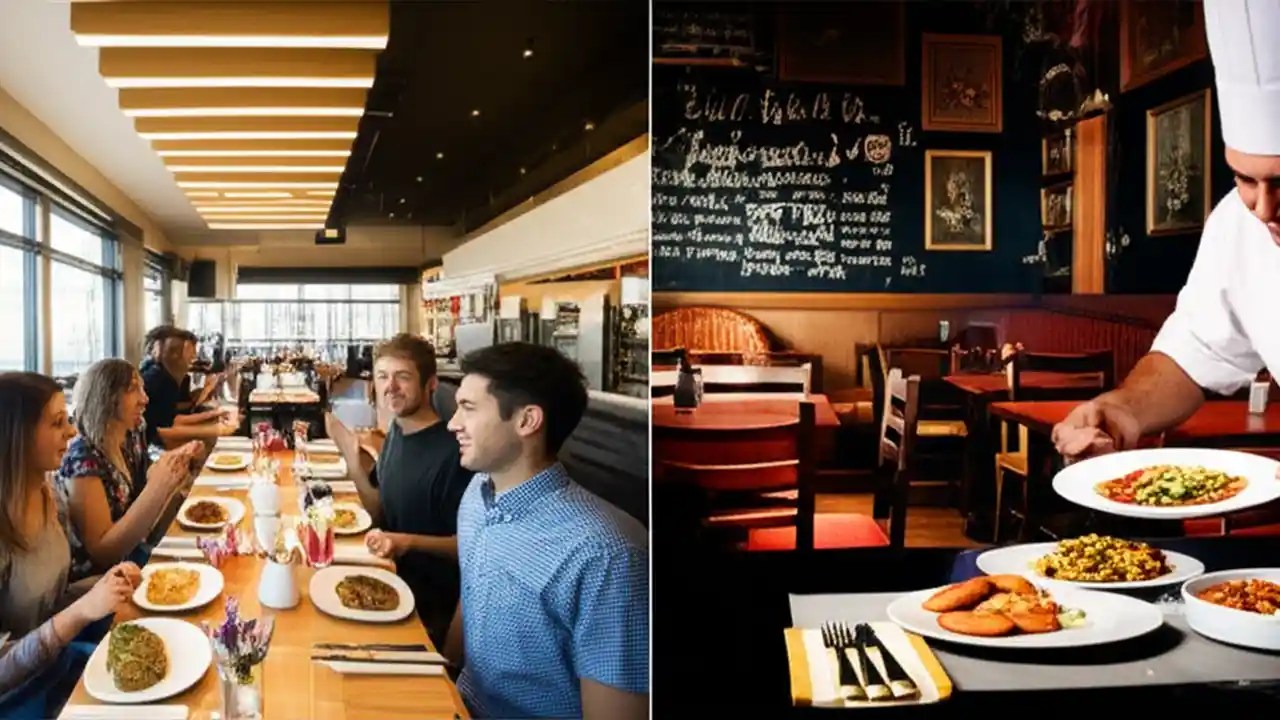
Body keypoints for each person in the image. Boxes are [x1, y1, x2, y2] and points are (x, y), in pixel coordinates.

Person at [1053, 0, 1280, 461]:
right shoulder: (1236, 225)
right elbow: (1192, 354)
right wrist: (1119, 411)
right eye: (1243, 178)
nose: (1262, 209)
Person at [442, 342, 647, 720]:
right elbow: (472, 586)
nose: (453, 422)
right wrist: (444, 668)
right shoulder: (478, 492)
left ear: (527, 421)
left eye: (468, 408)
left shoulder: (607, 554)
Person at [0, 372, 140, 720]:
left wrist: (105, 584)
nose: (73, 432)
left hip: (56, 666)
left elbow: (50, 600)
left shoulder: (49, 497)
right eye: (57, 423)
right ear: (15, 435)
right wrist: (81, 611)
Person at [325, 334, 473, 649]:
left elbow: (472, 547)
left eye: (402, 377)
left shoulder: (454, 455)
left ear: (431, 383)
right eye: (382, 377)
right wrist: (351, 459)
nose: (390, 386)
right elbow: (379, 509)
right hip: (385, 582)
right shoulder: (397, 432)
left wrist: (406, 542)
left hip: (424, 612)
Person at [55, 359, 201, 579]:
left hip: (138, 551)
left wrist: (173, 464)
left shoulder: (131, 433)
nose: (145, 398)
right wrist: (159, 487)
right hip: (102, 584)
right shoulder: (82, 458)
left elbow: (141, 489)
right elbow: (103, 553)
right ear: (106, 397)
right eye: (134, 389)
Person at [140, 327, 232, 450]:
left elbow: (172, 420)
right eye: (190, 351)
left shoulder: (163, 374)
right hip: (150, 448)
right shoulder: (159, 380)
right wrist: (216, 431)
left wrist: (214, 415)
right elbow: (160, 432)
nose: (194, 356)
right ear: (175, 353)